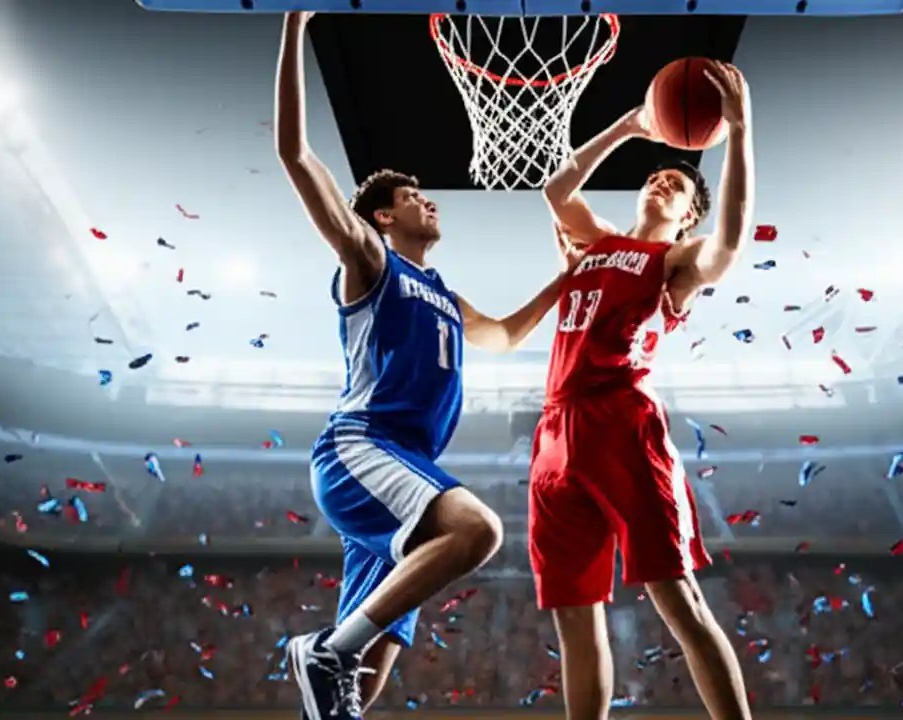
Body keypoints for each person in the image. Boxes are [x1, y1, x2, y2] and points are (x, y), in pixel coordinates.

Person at [273, 11, 582, 720]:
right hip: (363, 448)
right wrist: (296, 25)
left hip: (405, 464)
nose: (427, 199)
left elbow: (503, 335)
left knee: (367, 680)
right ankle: (324, 649)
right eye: (411, 196)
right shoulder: (370, 262)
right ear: (382, 217)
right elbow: (296, 154)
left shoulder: (444, 293)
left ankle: (334, 663)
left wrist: (565, 282)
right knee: (477, 531)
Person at [529, 61, 756, 720]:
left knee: (679, 601)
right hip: (553, 433)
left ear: (687, 218)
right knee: (575, 615)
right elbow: (557, 187)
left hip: (622, 424)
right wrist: (630, 126)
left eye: (678, 183)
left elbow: (733, 239)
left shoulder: (677, 264)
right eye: (658, 174)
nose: (662, 179)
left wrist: (738, 133)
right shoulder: (595, 242)